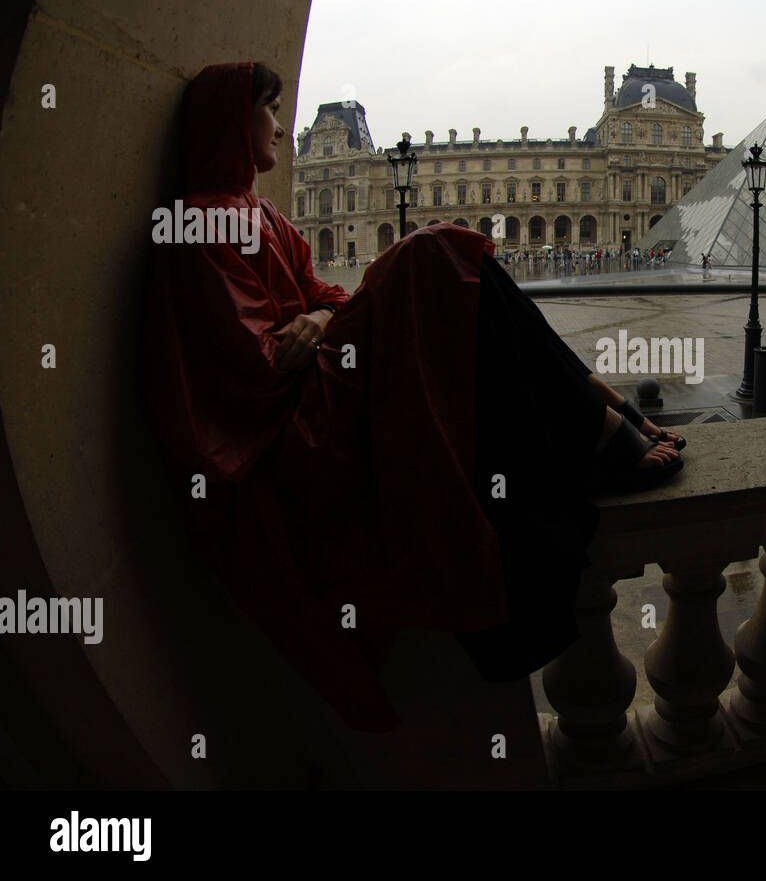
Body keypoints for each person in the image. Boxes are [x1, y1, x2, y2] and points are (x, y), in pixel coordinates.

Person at [144, 62, 685, 732]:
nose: (286, 132)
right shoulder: (200, 225)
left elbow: (327, 299)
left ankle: (601, 411)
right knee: (433, 254)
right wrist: (322, 324)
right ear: (231, 120)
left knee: (449, 269)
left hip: (323, 384)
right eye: (271, 111)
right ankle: (604, 412)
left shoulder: (264, 218)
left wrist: (319, 320)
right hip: (295, 424)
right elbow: (249, 372)